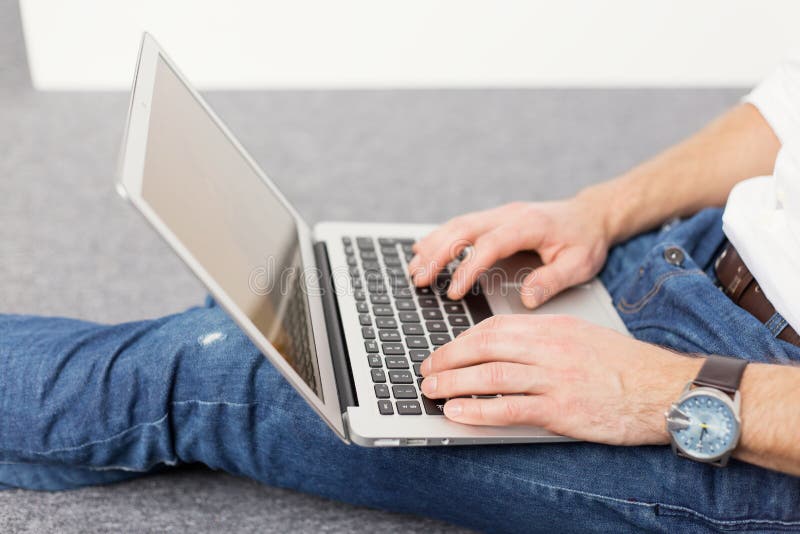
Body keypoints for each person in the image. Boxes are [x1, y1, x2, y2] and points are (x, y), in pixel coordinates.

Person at [2, 61, 800, 532]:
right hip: (702, 251)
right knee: (318, 305)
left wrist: (651, 390)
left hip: (756, 406)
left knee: (218, 370)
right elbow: (784, 110)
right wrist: (601, 210)